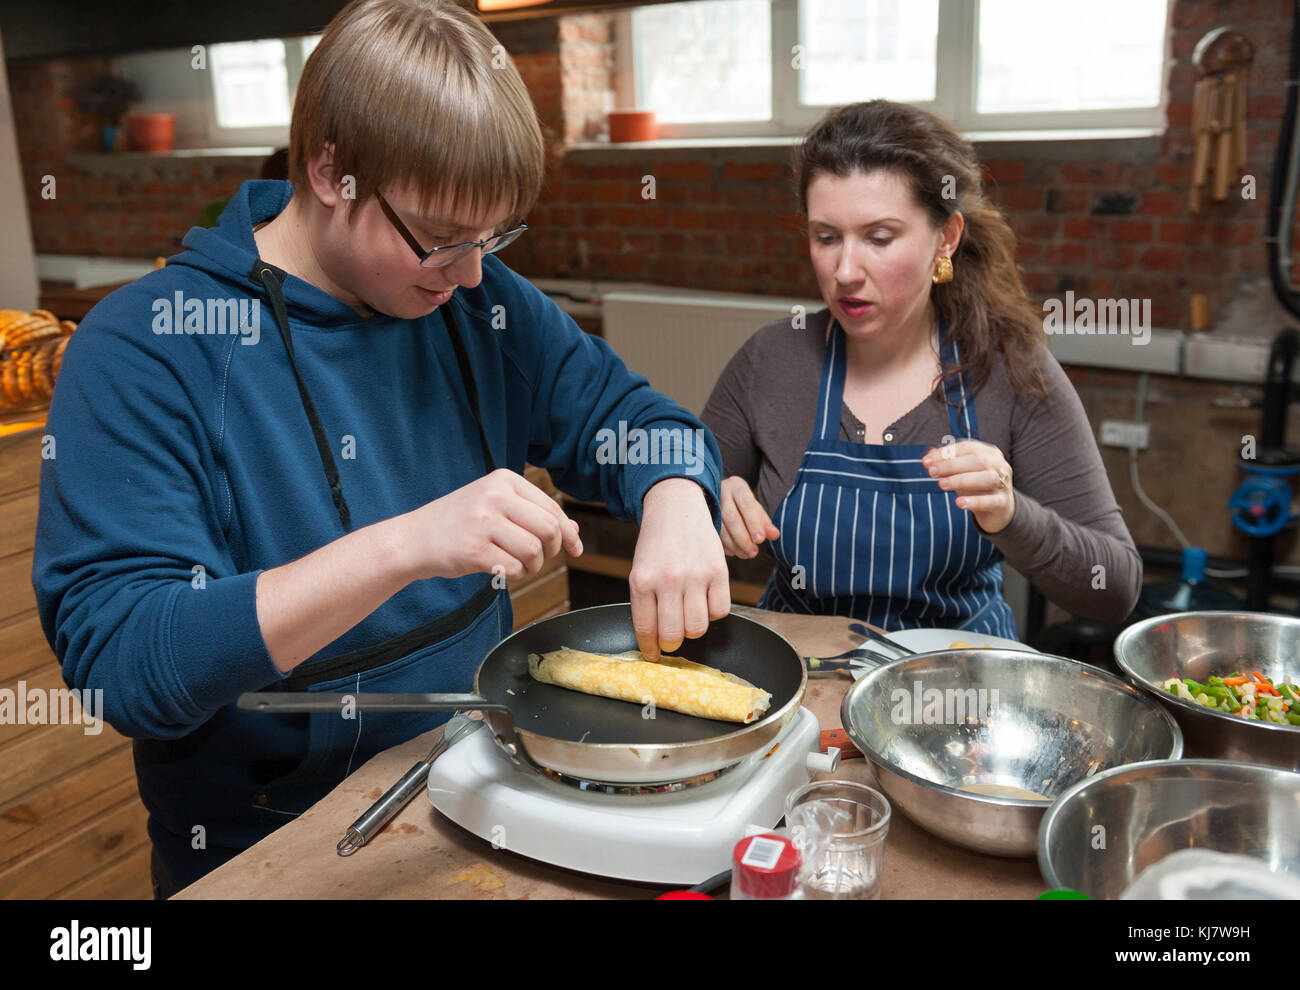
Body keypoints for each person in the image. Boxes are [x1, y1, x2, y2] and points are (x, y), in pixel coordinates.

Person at [33, 0, 729, 898]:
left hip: (483, 797)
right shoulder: (149, 347)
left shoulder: (476, 297)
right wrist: (403, 546)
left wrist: (677, 493)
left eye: (494, 237)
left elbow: (630, 414)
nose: (473, 272)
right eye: (440, 239)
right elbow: (128, 666)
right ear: (331, 171)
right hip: (274, 853)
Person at [702, 100, 1140, 636]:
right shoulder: (773, 358)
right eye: (826, 237)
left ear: (946, 238)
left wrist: (1010, 514)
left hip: (958, 688)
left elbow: (1113, 588)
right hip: (802, 679)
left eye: (879, 238)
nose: (844, 271)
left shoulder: (1012, 371)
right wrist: (704, 502)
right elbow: (679, 506)